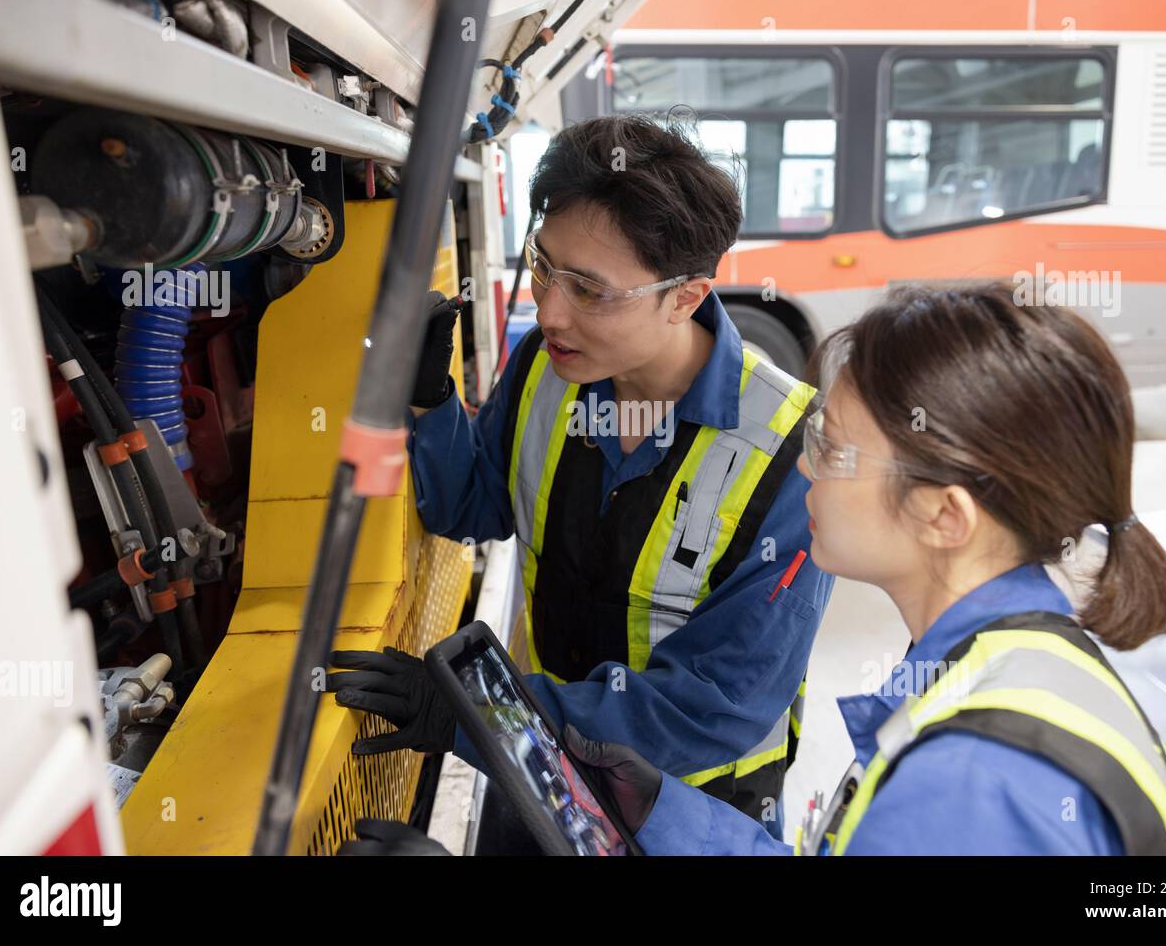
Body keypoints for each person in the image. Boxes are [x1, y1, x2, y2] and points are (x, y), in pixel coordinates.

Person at [325, 114, 835, 838]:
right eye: (543, 264)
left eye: (590, 291)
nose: (548, 308)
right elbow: (474, 507)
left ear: (684, 297)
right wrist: (433, 404)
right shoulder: (547, 366)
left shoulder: (790, 456)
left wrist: (479, 714)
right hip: (535, 769)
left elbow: (709, 710)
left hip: (682, 819)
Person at [568, 284, 1166, 856]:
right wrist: (661, 814)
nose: (805, 467)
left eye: (835, 448)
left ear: (944, 516)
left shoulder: (968, 788)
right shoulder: (1000, 654)